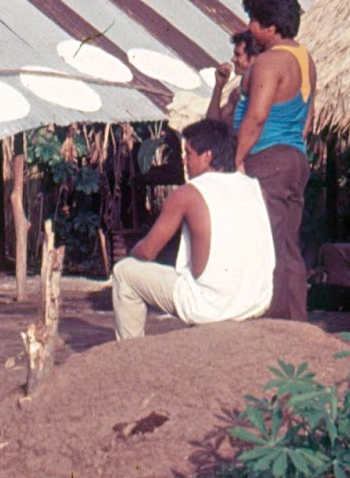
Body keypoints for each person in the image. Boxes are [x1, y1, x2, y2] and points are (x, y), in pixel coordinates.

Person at [109, 119, 274, 340]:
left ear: (207, 155)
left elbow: (148, 251)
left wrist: (133, 252)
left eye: (189, 153)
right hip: (256, 301)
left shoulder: (188, 193)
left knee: (124, 271)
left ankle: (130, 354)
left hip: (210, 306)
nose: (184, 160)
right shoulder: (254, 187)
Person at [234, 0, 318, 323]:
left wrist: (237, 158)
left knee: (266, 242)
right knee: (287, 244)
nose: (250, 28)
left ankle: (274, 323)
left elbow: (256, 116)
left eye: (254, 20)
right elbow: (307, 119)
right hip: (294, 156)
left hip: (268, 156)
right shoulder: (305, 58)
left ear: (271, 26)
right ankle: (294, 322)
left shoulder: (271, 61)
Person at [208, 29, 264, 125]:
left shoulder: (260, 96)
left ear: (254, 58)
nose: (233, 59)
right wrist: (219, 86)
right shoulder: (238, 92)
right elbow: (211, 125)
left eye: (238, 55)